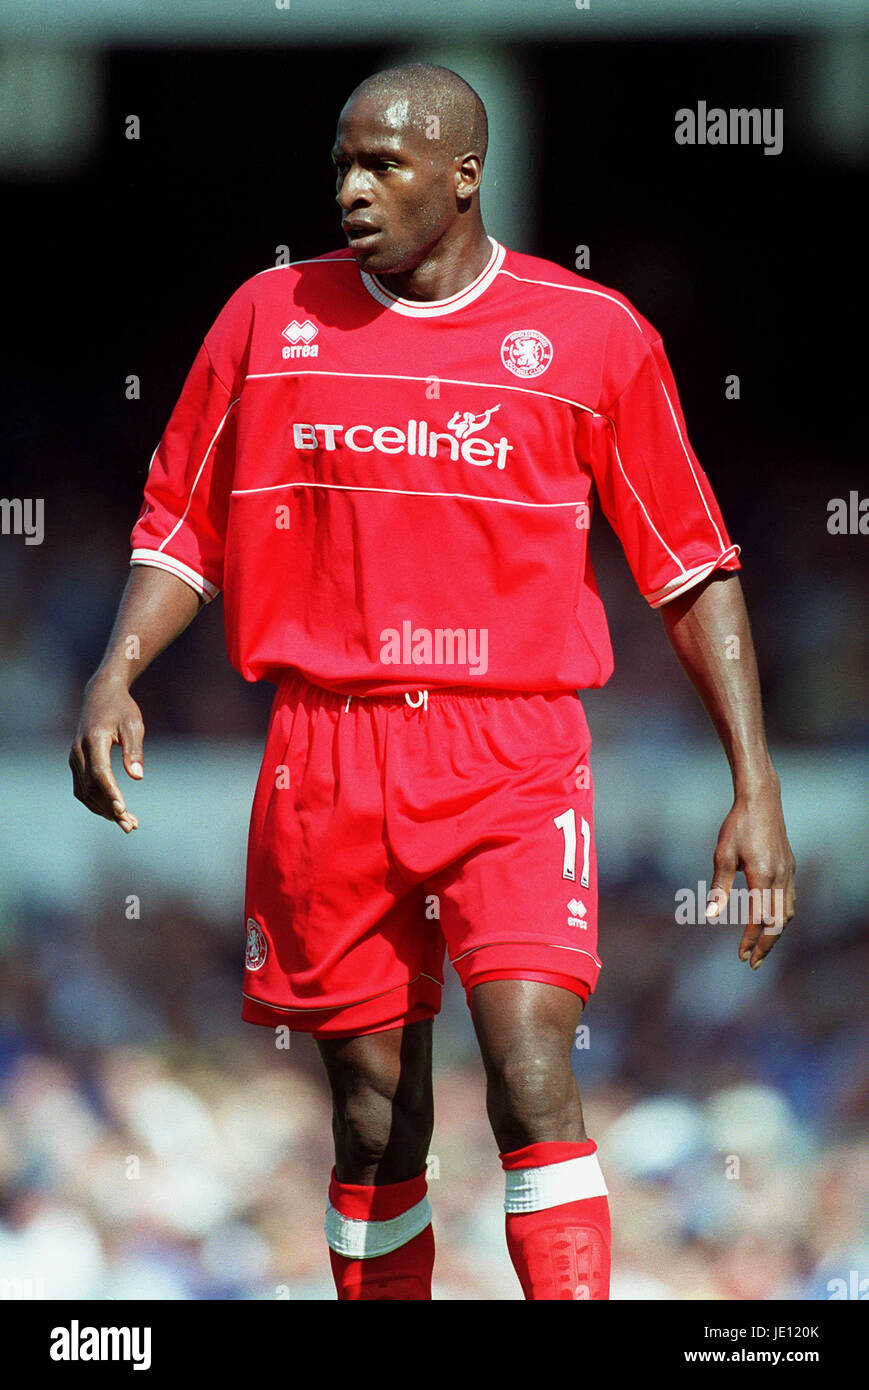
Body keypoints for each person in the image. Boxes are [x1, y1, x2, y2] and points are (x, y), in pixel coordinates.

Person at [69, 63, 796, 1301]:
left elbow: (690, 566)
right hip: (324, 754)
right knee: (370, 1122)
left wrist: (754, 783)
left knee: (526, 1069)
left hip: (511, 751)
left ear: (464, 177)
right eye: (341, 166)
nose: (352, 191)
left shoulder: (590, 335)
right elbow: (179, 528)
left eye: (383, 166)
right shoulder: (265, 316)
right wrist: (116, 670)